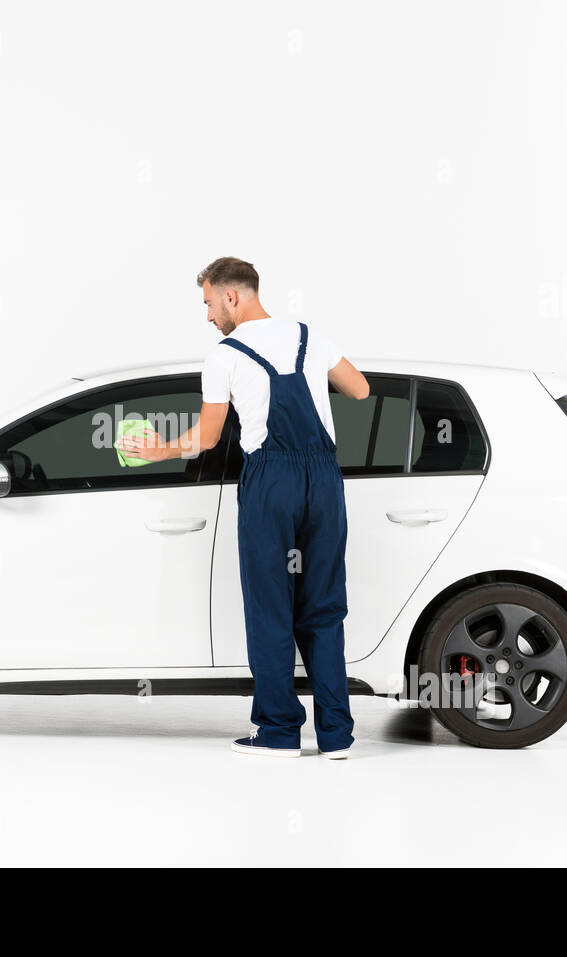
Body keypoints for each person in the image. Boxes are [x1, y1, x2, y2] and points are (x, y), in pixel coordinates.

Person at [116, 256, 370, 758]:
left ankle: (279, 732)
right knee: (324, 609)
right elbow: (360, 390)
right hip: (323, 480)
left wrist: (157, 450)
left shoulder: (225, 355)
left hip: (271, 483)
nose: (209, 316)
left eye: (209, 303)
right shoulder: (309, 336)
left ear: (231, 296)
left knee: (270, 606)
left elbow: (209, 438)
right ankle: (337, 736)